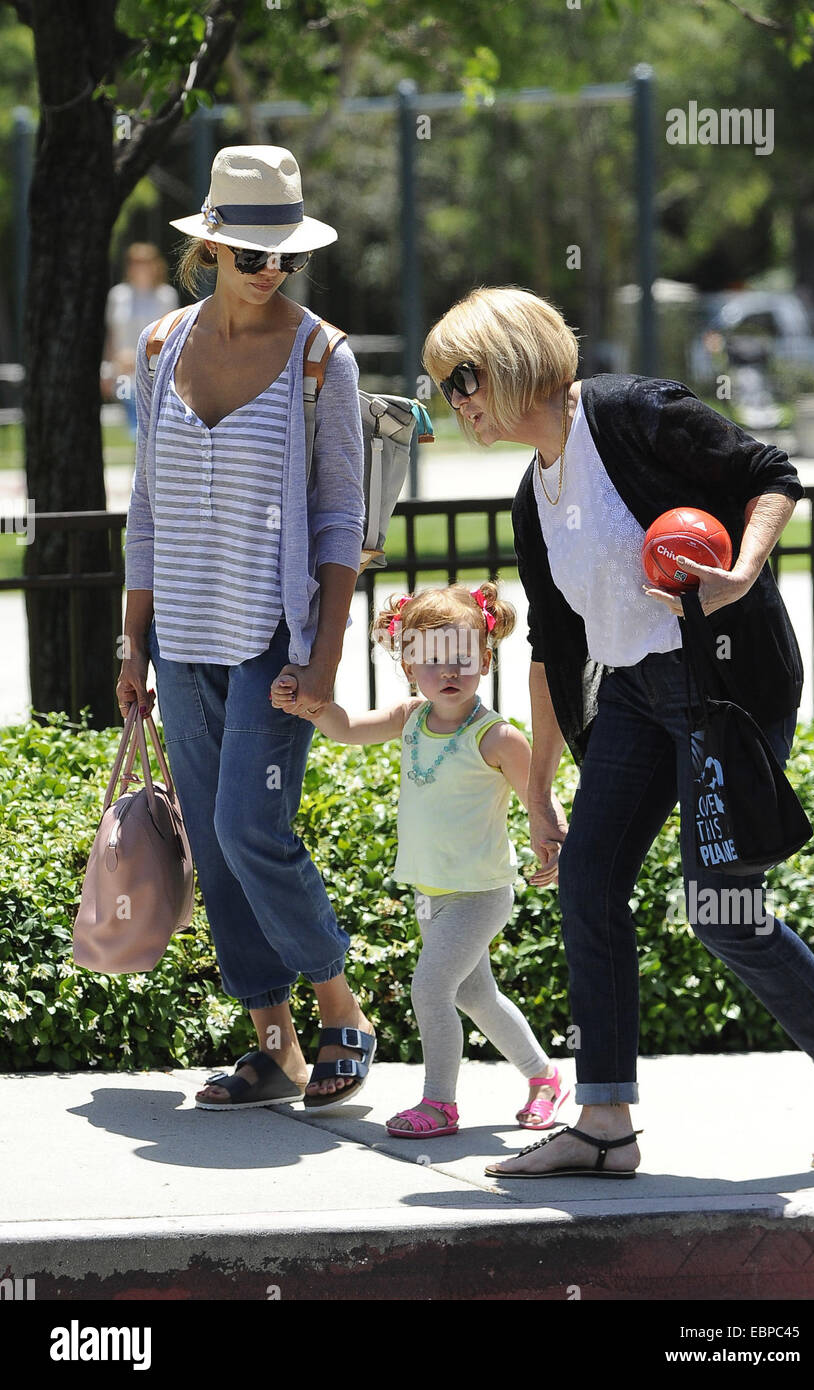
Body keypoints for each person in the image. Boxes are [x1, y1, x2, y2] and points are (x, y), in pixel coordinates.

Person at [422, 285, 814, 1178]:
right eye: (442, 384)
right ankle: (605, 1120)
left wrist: (739, 571)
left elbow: (769, 472)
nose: (452, 399)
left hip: (721, 686)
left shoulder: (630, 413)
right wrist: (536, 790)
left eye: (461, 377)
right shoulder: (529, 496)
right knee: (587, 880)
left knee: (720, 907)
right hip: (633, 698)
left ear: (510, 359)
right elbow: (550, 645)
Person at [118, 146, 377, 1112]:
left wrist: (325, 658)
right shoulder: (158, 350)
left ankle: (342, 1013)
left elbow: (338, 520)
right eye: (251, 257)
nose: (270, 273)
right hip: (180, 637)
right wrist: (129, 643)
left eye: (285, 259)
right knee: (215, 845)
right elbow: (145, 508)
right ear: (212, 246)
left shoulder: (322, 359)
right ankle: (275, 1050)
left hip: (274, 639)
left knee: (247, 826)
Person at [272, 582, 570, 1136]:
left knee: (431, 990)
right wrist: (310, 707)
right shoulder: (411, 717)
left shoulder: (496, 736)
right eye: (433, 661)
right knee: (477, 994)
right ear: (409, 664)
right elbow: (348, 729)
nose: (449, 672)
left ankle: (439, 1104)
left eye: (462, 658)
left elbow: (539, 796)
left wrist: (548, 838)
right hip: (431, 893)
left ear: (485, 658)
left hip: (479, 893)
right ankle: (545, 1078)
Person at [103, 244, 178, 440]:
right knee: (134, 427)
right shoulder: (118, 296)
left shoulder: (166, 296)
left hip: (154, 371)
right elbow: (112, 336)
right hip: (123, 374)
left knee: (149, 427)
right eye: (135, 264)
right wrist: (107, 368)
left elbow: (170, 336)